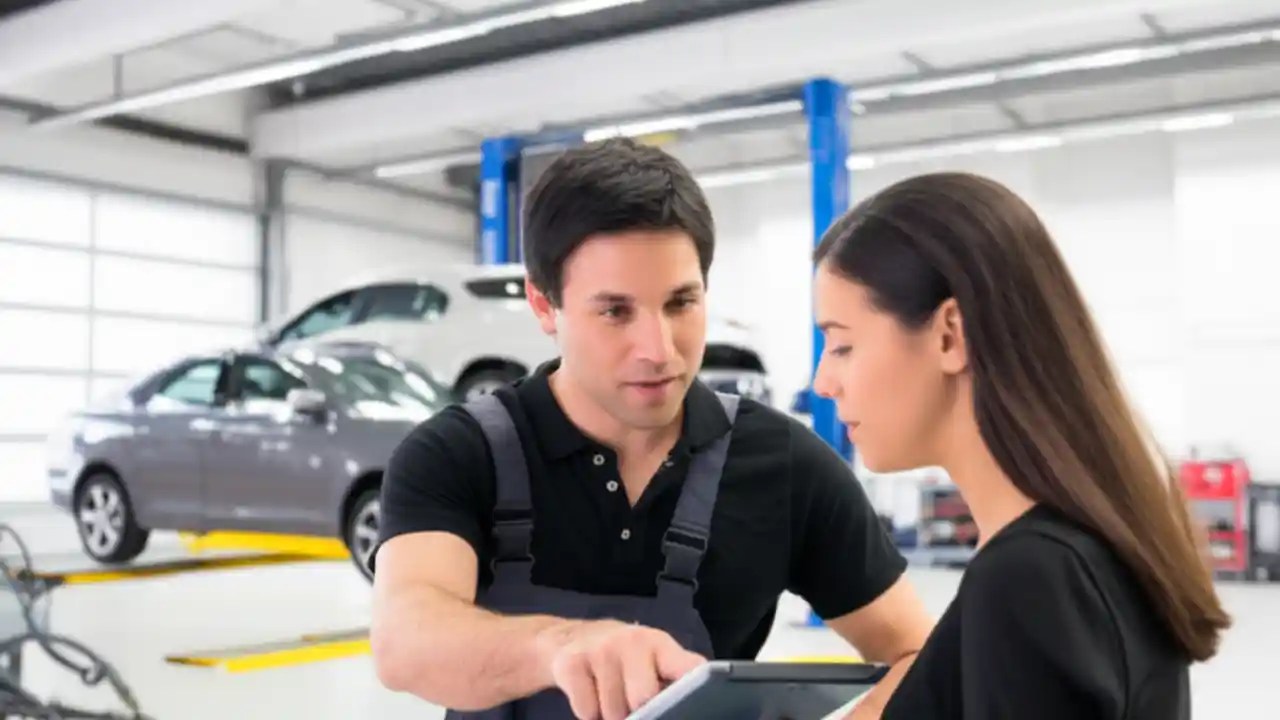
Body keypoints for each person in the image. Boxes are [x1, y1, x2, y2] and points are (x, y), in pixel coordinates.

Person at [369, 137, 935, 720]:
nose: (658, 350)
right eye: (615, 311)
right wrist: (562, 647)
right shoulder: (458, 454)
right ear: (544, 306)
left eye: (680, 303)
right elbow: (405, 640)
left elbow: (922, 655)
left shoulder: (784, 465)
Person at [810, 171, 1233, 719]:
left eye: (842, 345)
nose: (823, 381)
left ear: (949, 335)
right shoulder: (1084, 549)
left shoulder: (1028, 578)